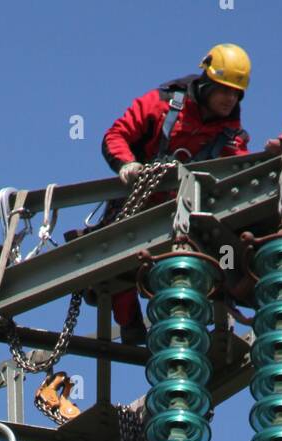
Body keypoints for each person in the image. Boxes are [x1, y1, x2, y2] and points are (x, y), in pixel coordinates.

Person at [101, 44, 252, 344]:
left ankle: (191, 332)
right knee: (118, 267)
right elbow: (116, 135)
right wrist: (128, 165)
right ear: (207, 83)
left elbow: (238, 180)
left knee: (197, 274)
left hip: (188, 222)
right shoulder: (163, 105)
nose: (230, 99)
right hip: (140, 207)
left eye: (236, 93)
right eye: (224, 90)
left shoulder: (232, 135)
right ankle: (131, 327)